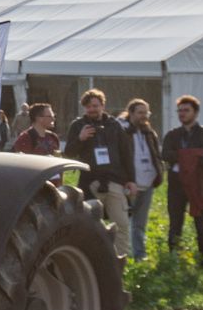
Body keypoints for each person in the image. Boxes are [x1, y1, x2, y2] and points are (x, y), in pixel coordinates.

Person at [62, 89, 134, 254]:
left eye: (95, 105)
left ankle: (122, 261)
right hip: (90, 182)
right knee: (91, 226)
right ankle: (95, 260)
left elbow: (126, 153)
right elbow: (69, 153)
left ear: (103, 105)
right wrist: (80, 138)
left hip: (114, 181)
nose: (92, 109)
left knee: (121, 224)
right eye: (88, 107)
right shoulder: (78, 125)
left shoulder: (115, 125)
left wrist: (131, 180)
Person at [160, 96, 203, 263]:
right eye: (179, 111)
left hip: (199, 184)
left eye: (186, 110)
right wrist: (192, 154)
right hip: (176, 185)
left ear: (196, 112)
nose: (182, 114)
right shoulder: (172, 135)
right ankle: (174, 259)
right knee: (175, 224)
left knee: (201, 224)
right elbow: (165, 155)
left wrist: (180, 155)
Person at [115, 97, 164, 260]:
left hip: (148, 183)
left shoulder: (149, 132)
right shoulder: (122, 131)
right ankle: (122, 254)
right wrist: (125, 179)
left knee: (140, 223)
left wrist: (159, 173)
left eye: (146, 112)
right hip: (130, 184)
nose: (144, 116)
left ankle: (139, 255)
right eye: (140, 112)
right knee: (123, 222)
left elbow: (156, 155)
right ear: (131, 113)